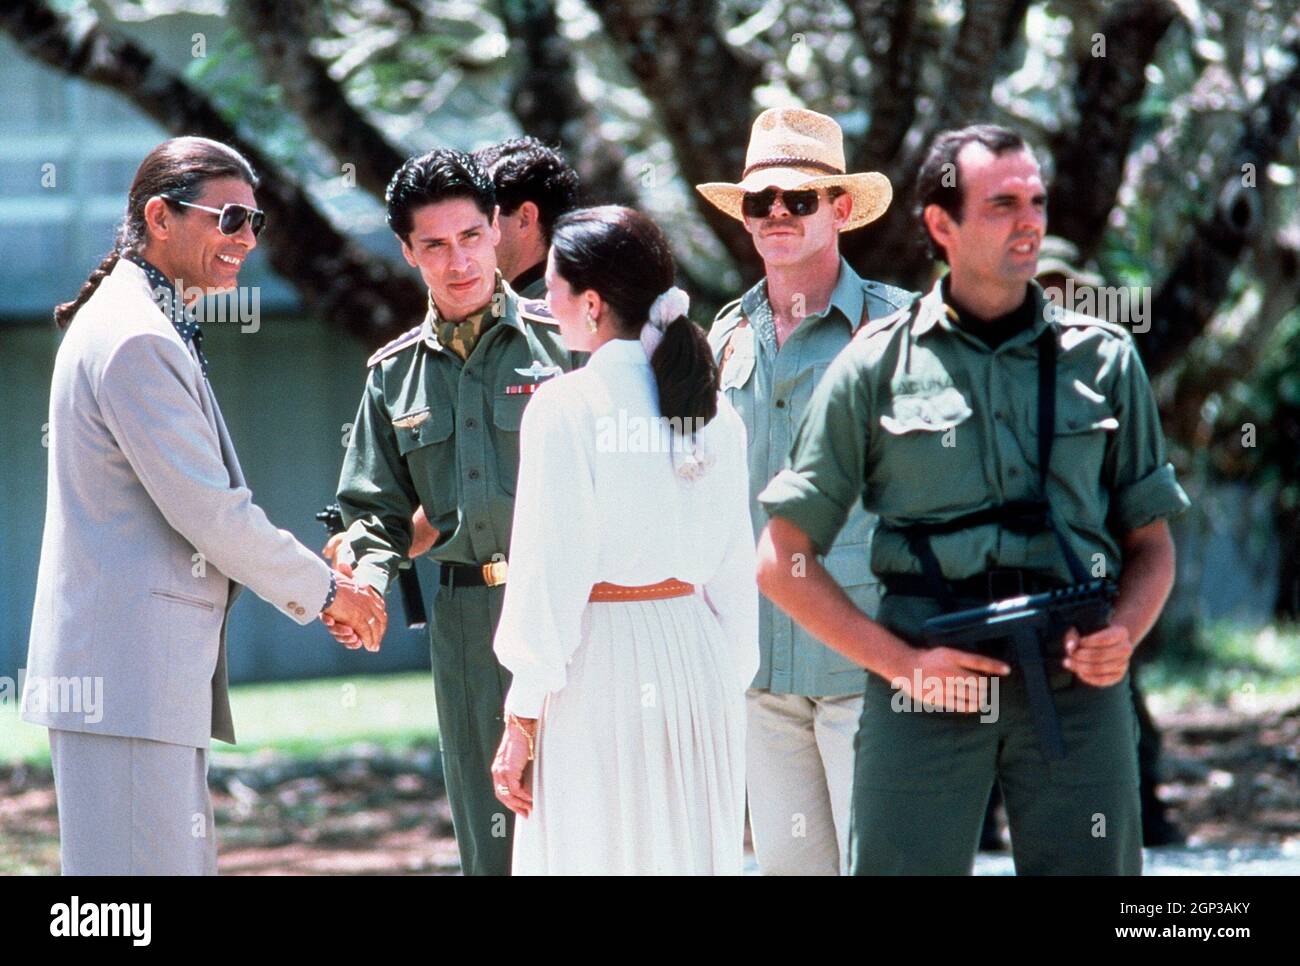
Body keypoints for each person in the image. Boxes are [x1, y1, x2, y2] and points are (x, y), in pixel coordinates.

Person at [755, 124, 1191, 875]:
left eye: (1036, 202)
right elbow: (781, 558)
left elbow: (1151, 542)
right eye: (1001, 205)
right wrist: (900, 665)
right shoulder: (874, 366)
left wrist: (1124, 630)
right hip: (927, 676)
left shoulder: (1105, 359)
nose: (1029, 222)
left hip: (1074, 681)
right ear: (940, 225)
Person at [22, 136, 384, 876]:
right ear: (160, 216)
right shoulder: (135, 338)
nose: (247, 239)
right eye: (230, 219)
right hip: (123, 681)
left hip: (134, 681)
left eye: (256, 222)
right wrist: (328, 593)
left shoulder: (142, 321)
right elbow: (212, 512)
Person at [487, 206, 758, 874]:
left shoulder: (564, 406)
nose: (541, 299)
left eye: (550, 284)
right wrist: (723, 686)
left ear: (593, 302)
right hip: (699, 661)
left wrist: (521, 718)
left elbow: (549, 578)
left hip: (597, 666)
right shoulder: (714, 412)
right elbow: (735, 578)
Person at [330, 148, 574, 876]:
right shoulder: (392, 376)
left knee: (588, 829)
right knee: (493, 833)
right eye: (434, 245)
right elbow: (372, 512)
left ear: (497, 231)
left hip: (573, 611)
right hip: (469, 624)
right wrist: (365, 582)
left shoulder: (569, 343)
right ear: (408, 252)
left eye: (470, 236)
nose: (458, 260)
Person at [697, 106, 913, 875]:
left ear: (842, 209)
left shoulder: (901, 332)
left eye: (800, 198)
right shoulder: (721, 339)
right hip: (758, 670)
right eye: (761, 201)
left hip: (867, 659)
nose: (778, 214)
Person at [472, 136, 581, 299]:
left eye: (483, 220)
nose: (468, 239)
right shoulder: (504, 301)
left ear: (525, 218)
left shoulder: (557, 311)